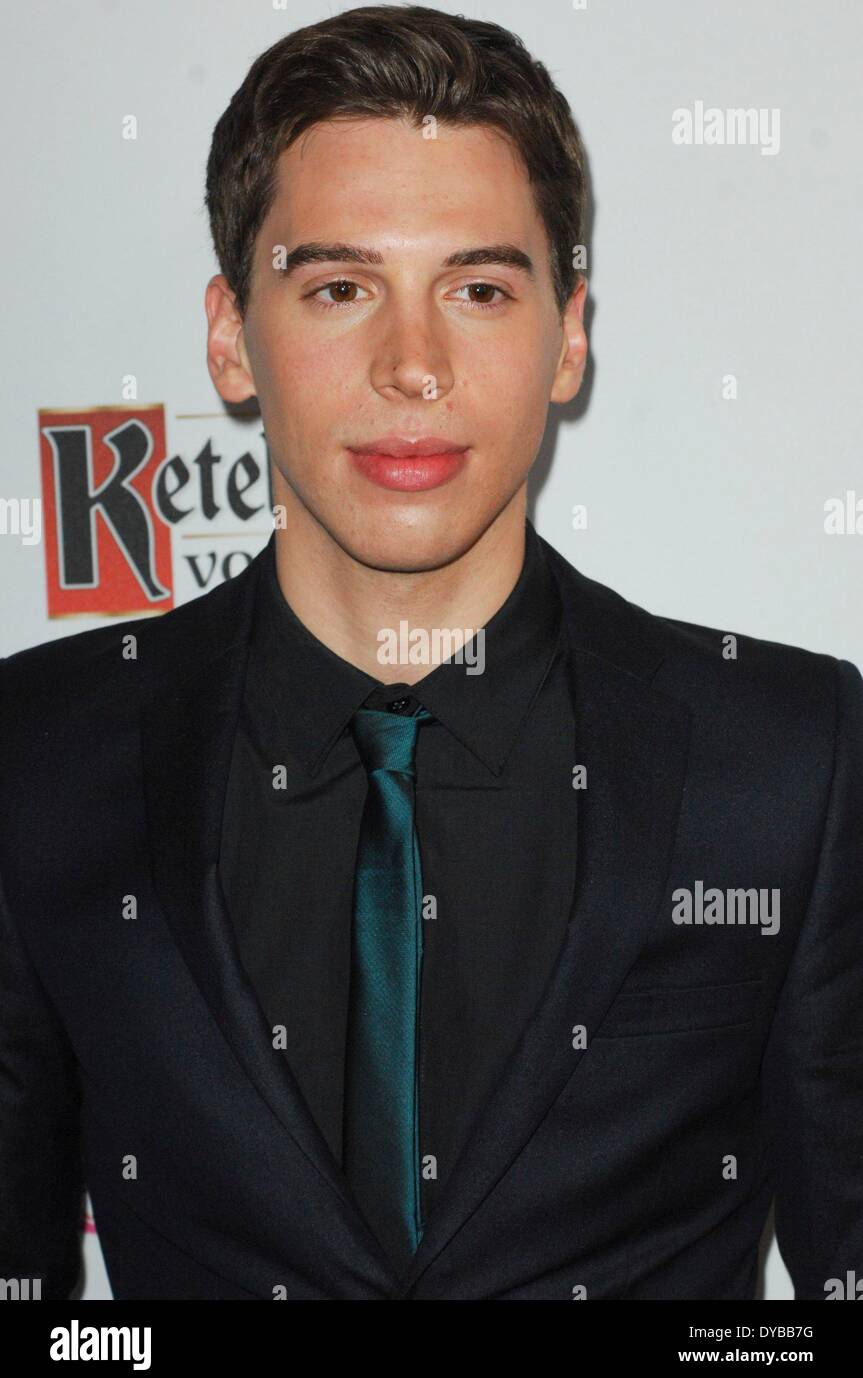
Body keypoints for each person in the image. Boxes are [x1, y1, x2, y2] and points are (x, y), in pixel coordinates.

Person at [1, 4, 861, 1301]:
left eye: (478, 288)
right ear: (232, 332)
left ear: (570, 333)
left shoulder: (789, 759)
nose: (413, 365)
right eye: (342, 287)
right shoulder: (43, 749)